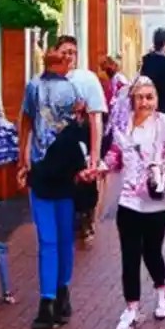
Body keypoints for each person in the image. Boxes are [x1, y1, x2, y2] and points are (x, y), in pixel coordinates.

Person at [18, 47, 99, 329]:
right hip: (52, 171)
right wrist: (23, 161)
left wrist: (23, 161)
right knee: (56, 238)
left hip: (56, 171)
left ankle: (56, 296)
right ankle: (52, 298)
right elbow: (27, 124)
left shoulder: (69, 86)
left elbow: (27, 124)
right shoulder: (38, 87)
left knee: (56, 238)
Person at [104, 76, 165, 329]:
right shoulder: (123, 126)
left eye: (150, 97)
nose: (145, 102)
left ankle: (161, 292)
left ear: (156, 99)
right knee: (129, 256)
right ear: (133, 100)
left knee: (151, 252)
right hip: (129, 201)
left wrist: (160, 170)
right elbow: (115, 156)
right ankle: (132, 309)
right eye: (140, 97)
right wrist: (100, 167)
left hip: (156, 201)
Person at [55, 36, 107, 245]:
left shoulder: (87, 79)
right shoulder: (47, 80)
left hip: (79, 136)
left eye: (72, 52)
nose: (68, 56)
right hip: (56, 142)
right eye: (64, 52)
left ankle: (86, 218)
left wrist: (95, 154)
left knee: (84, 181)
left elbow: (96, 117)